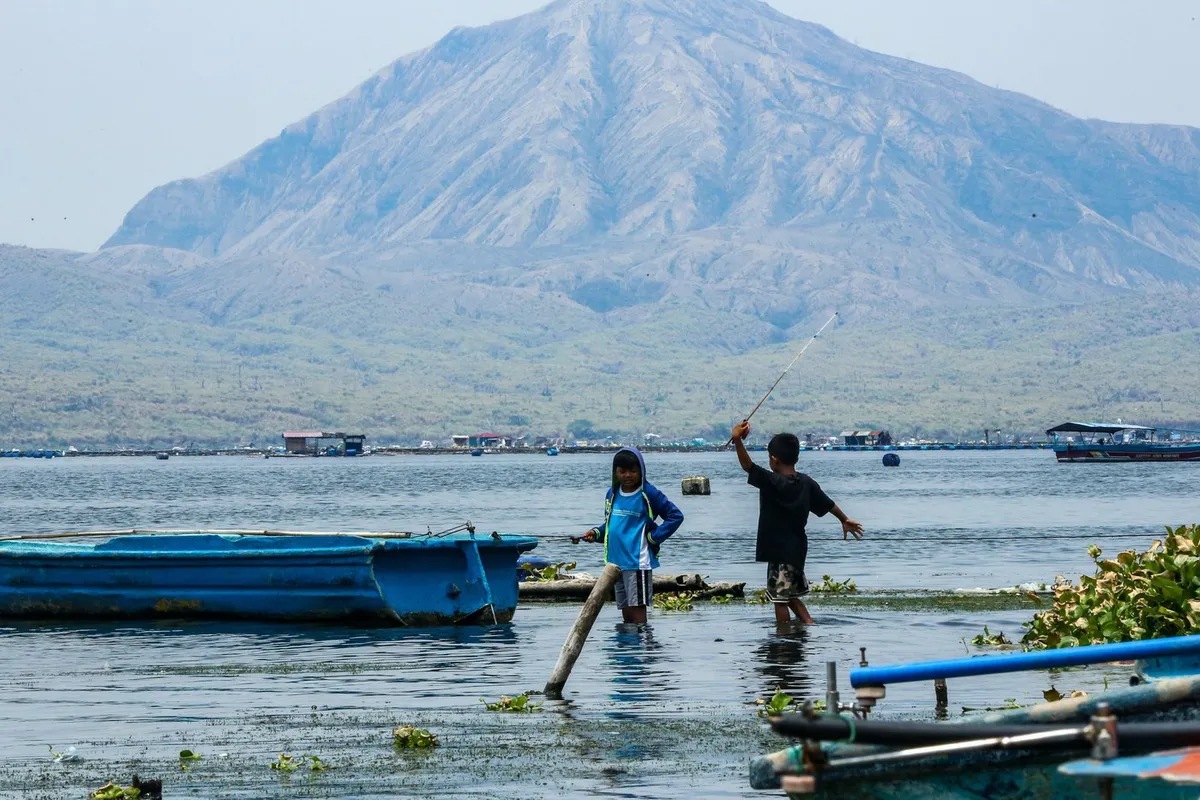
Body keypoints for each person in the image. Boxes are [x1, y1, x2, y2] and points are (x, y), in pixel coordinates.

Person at [732, 420, 863, 625]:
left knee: (779, 600)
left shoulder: (773, 482)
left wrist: (738, 440)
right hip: (797, 550)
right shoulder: (806, 482)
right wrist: (844, 519)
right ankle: (809, 624)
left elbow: (747, 466)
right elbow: (828, 504)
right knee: (790, 595)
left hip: (779, 552)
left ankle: (784, 641)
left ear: (774, 460)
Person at [580, 447, 684, 624]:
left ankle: (643, 649)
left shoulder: (648, 493)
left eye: (632, 471)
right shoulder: (612, 493)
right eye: (622, 471)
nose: (627, 475)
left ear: (641, 471)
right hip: (615, 563)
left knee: (637, 612)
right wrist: (596, 533)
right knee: (626, 612)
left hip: (637, 562)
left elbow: (675, 516)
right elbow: (612, 524)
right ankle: (629, 649)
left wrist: (654, 537)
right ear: (615, 472)